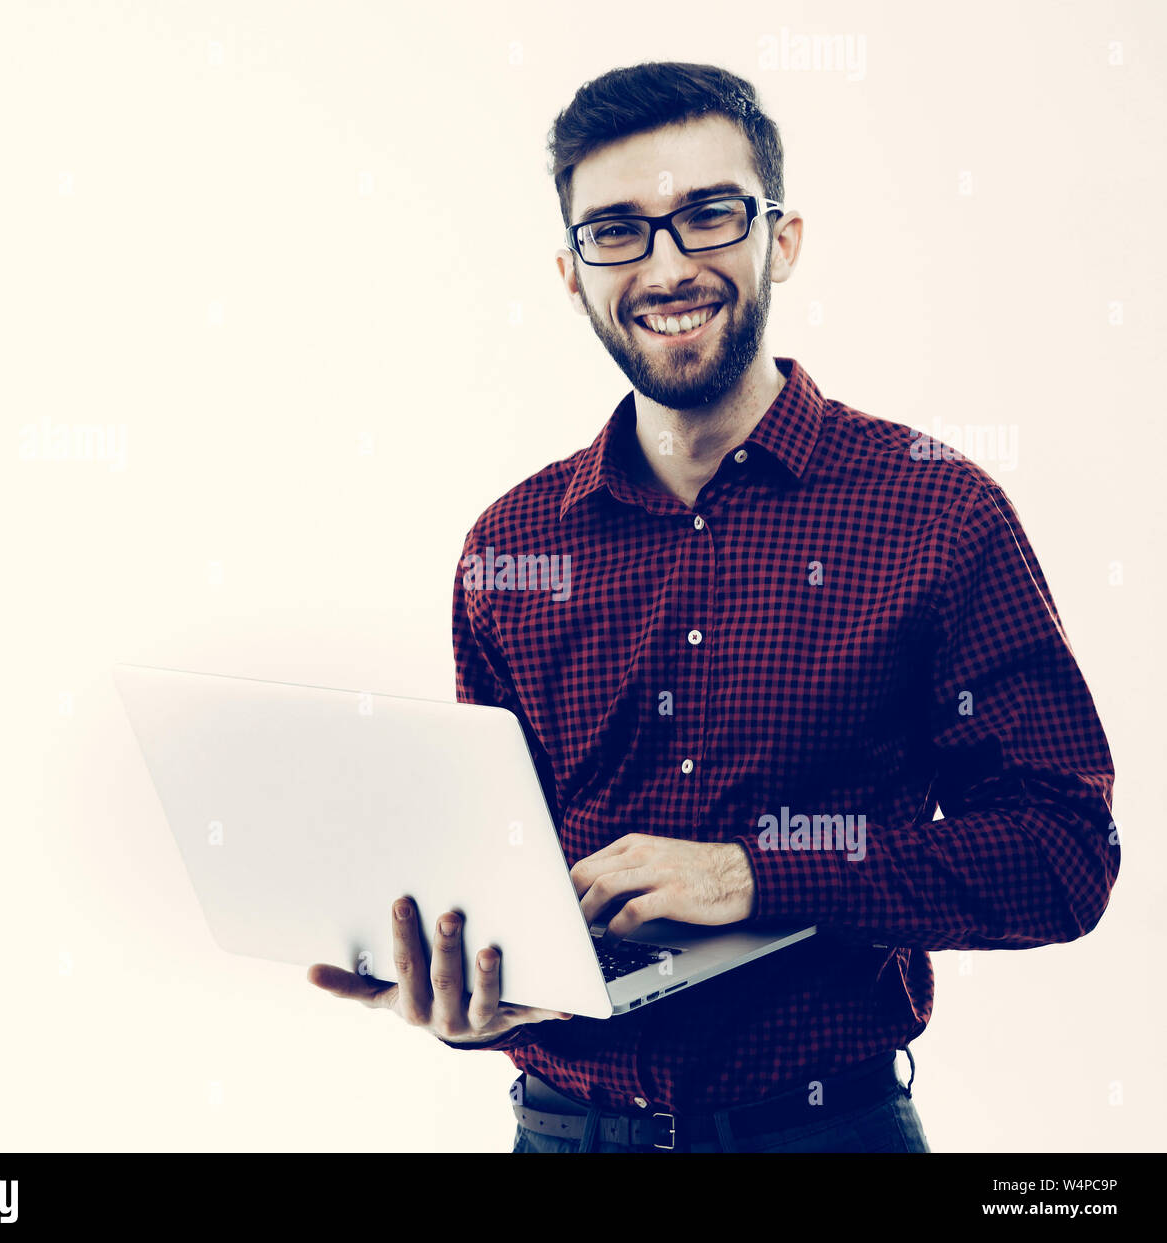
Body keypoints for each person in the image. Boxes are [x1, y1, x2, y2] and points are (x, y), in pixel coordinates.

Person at [307, 60, 1118, 1153]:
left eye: (708, 216)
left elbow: (1060, 853)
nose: (667, 264)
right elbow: (510, 873)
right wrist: (473, 1002)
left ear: (779, 238)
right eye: (618, 231)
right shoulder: (510, 547)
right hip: (562, 1134)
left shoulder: (938, 511)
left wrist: (752, 873)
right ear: (570, 271)